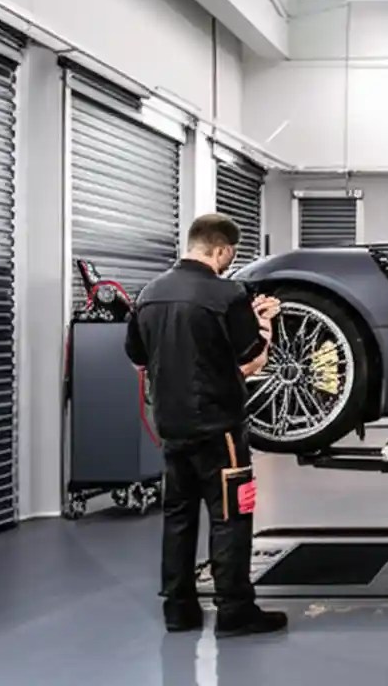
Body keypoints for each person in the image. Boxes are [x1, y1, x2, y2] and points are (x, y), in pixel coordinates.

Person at [125, 213, 287, 638]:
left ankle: (178, 609)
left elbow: (137, 356)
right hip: (222, 429)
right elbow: (252, 360)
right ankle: (235, 610)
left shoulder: (150, 294)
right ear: (222, 251)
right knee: (231, 515)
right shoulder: (228, 294)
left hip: (172, 427)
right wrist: (265, 324)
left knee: (178, 515)